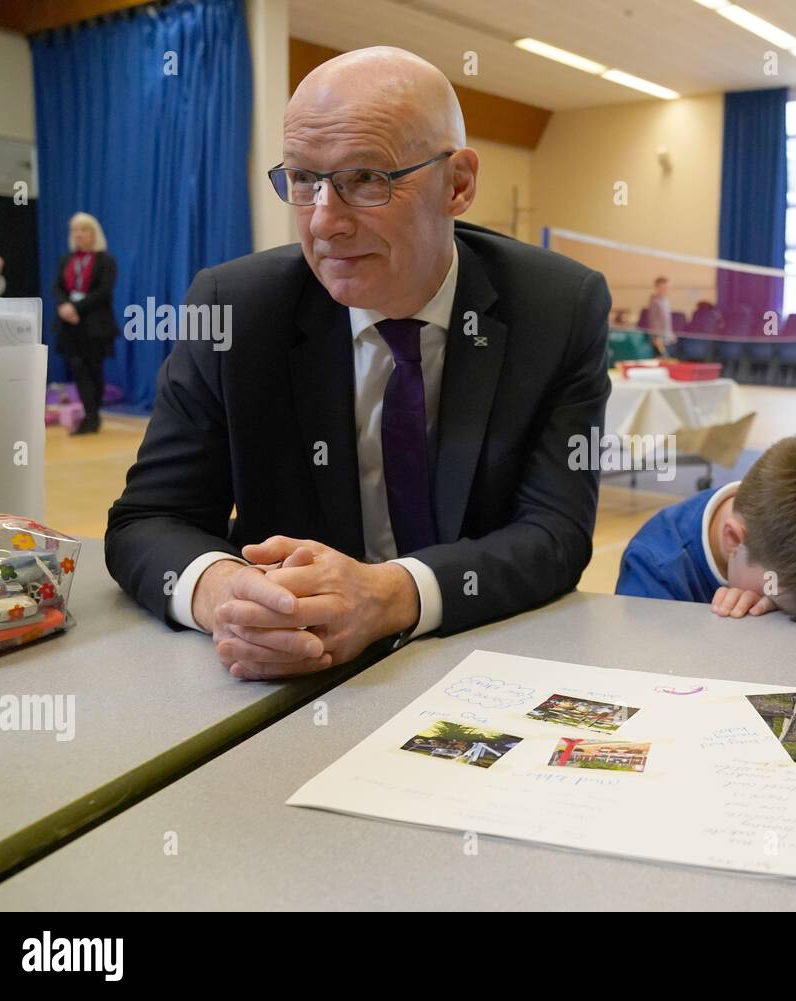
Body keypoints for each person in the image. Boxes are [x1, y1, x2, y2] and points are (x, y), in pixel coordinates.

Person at [105, 47, 611, 680]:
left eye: (366, 179)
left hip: (482, 653)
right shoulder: (234, 309)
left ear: (457, 183)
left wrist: (389, 595)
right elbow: (150, 518)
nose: (324, 222)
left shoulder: (558, 307)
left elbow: (555, 534)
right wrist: (227, 596)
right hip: (291, 671)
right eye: (302, 180)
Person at [615, 434, 796, 626]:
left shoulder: (776, 527)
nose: (772, 606)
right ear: (733, 539)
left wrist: (771, 612)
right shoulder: (653, 568)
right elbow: (644, 674)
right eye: (776, 599)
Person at [53, 212, 118, 435]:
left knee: (94, 369)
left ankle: (93, 415)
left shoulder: (106, 261)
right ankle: (89, 416)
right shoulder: (66, 260)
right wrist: (64, 305)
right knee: (78, 368)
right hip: (71, 326)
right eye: (75, 230)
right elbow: (58, 287)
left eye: (83, 230)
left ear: (94, 233)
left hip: (95, 325)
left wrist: (75, 308)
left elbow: (103, 292)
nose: (78, 234)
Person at [644, 276, 673, 357]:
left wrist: (670, 333)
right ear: (657, 287)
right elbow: (653, 321)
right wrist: (657, 338)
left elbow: (667, 320)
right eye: (663, 287)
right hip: (658, 338)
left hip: (666, 337)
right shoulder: (654, 301)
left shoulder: (666, 301)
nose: (665, 289)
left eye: (666, 287)